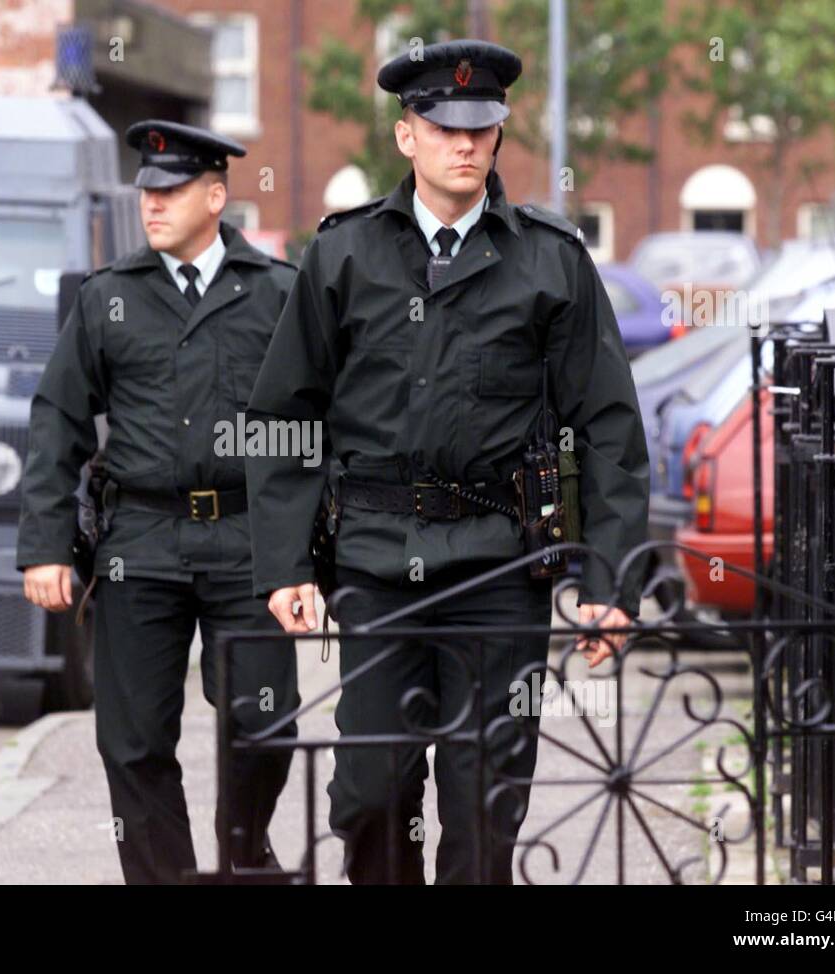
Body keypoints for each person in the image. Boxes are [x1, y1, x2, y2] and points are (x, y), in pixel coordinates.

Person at [244, 40, 650, 884]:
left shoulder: (550, 259)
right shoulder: (343, 256)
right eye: (442, 126)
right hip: (377, 564)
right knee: (371, 790)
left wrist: (611, 585)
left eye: (482, 127)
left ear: (499, 136)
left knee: (485, 793)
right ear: (407, 136)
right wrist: (285, 561)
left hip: (500, 566)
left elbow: (607, 426)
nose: (463, 145)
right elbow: (283, 416)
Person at [18, 119, 300, 884]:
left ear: (216, 195)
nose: (153, 204)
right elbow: (59, 419)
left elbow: (312, 428)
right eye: (147, 190)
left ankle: (243, 852)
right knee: (133, 741)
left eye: (172, 190)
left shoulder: (278, 294)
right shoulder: (111, 298)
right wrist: (46, 542)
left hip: (249, 540)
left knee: (264, 723)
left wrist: (307, 554)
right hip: (141, 537)